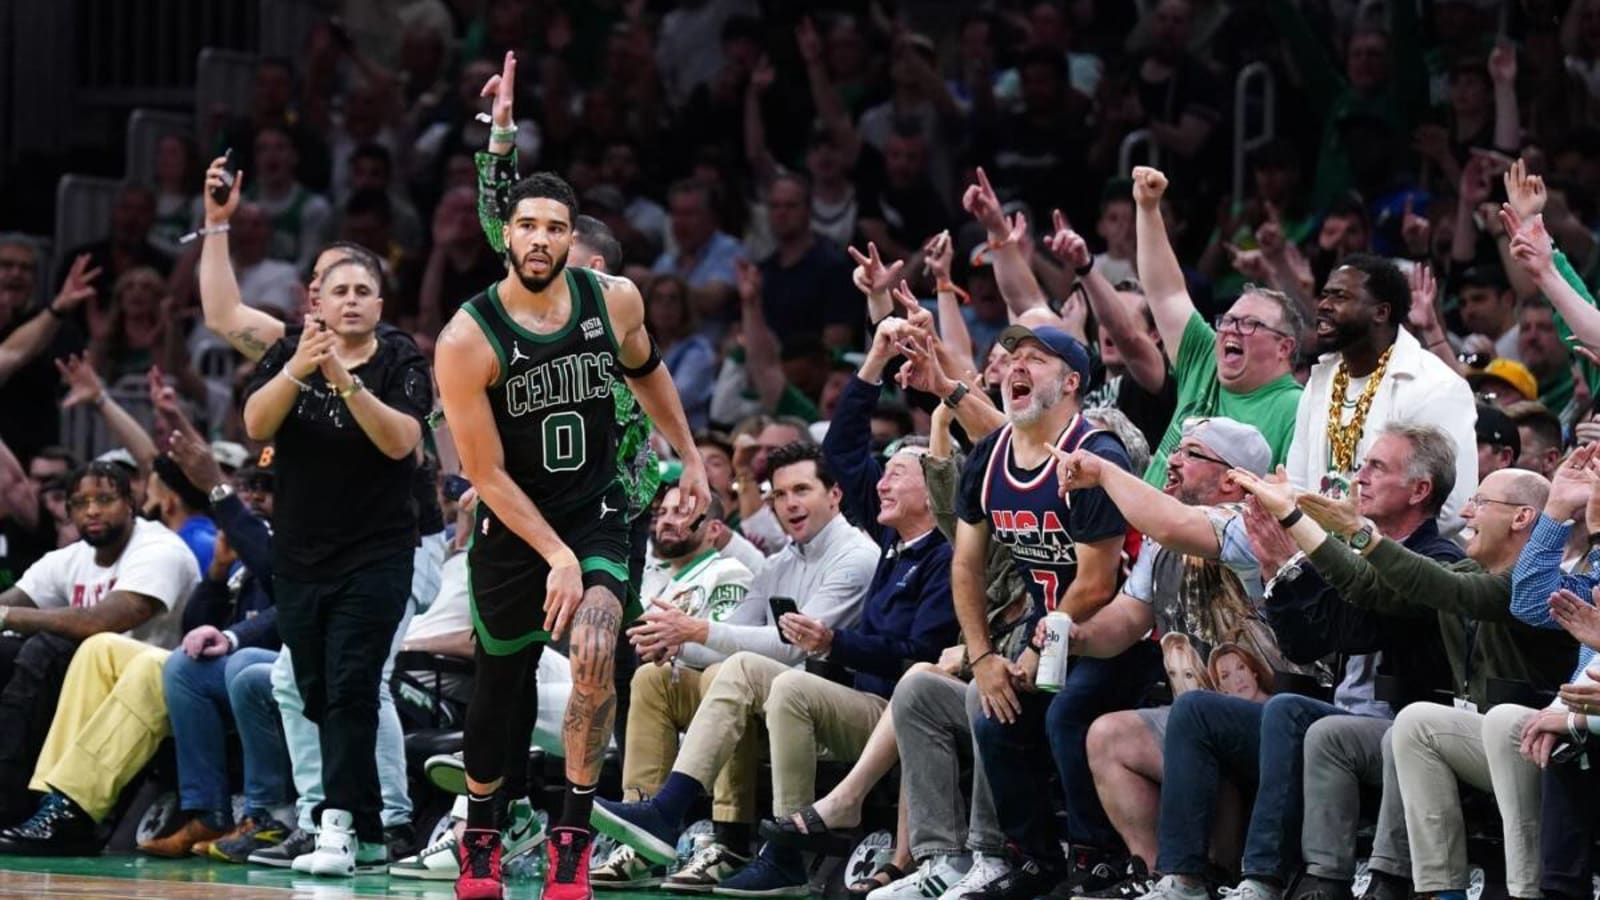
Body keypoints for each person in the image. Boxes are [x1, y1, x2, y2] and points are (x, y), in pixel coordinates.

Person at [433, 49, 710, 900]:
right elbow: (479, 469)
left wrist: (693, 455)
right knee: (502, 685)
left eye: (560, 229)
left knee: (595, 652)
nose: (545, 241)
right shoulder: (468, 336)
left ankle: (572, 834)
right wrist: (501, 138)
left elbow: (651, 369)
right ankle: (484, 829)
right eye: (530, 228)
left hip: (602, 510)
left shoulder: (612, 301)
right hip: (517, 521)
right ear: (509, 240)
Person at [241, 249, 430, 876]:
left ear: (379, 304)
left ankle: (336, 827)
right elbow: (254, 423)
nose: (350, 300)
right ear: (315, 301)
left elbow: (402, 441)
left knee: (352, 686)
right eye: (337, 290)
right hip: (299, 556)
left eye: (362, 290)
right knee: (317, 690)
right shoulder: (290, 353)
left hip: (376, 553)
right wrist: (300, 366)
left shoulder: (400, 357)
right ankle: (373, 830)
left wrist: (346, 383)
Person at [950, 323, 1152, 900]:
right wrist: (984, 656)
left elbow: (1095, 582)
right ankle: (1032, 859)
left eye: (1035, 359)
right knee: (995, 714)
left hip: (1116, 635)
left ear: (1070, 383)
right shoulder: (988, 458)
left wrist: (1038, 650)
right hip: (1041, 632)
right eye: (1013, 356)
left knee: (1067, 712)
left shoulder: (1094, 455)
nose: (1017, 365)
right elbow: (965, 566)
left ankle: (1097, 858)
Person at [0, 462, 199, 826]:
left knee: (47, 648)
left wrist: (6, 616)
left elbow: (99, 622)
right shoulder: (69, 558)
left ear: (130, 503)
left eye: (105, 499)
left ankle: (9, 802)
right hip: (86, 678)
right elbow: (10, 602)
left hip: (158, 680)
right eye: (80, 503)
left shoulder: (159, 549)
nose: (92, 510)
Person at [1130, 167, 1304, 485]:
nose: (1231, 331)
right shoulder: (1206, 358)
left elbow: (1294, 496)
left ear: (1284, 347)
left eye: (1250, 324)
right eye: (1228, 321)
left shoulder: (1298, 409)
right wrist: (1147, 208)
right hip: (1145, 529)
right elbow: (1166, 293)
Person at [1287, 253, 1477, 530]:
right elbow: (1298, 485)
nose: (1324, 306)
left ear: (1381, 312)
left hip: (1401, 565)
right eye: (1324, 296)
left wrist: (1363, 544)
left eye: (1340, 297)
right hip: (1324, 558)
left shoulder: (1436, 387)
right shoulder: (1322, 379)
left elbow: (1452, 509)